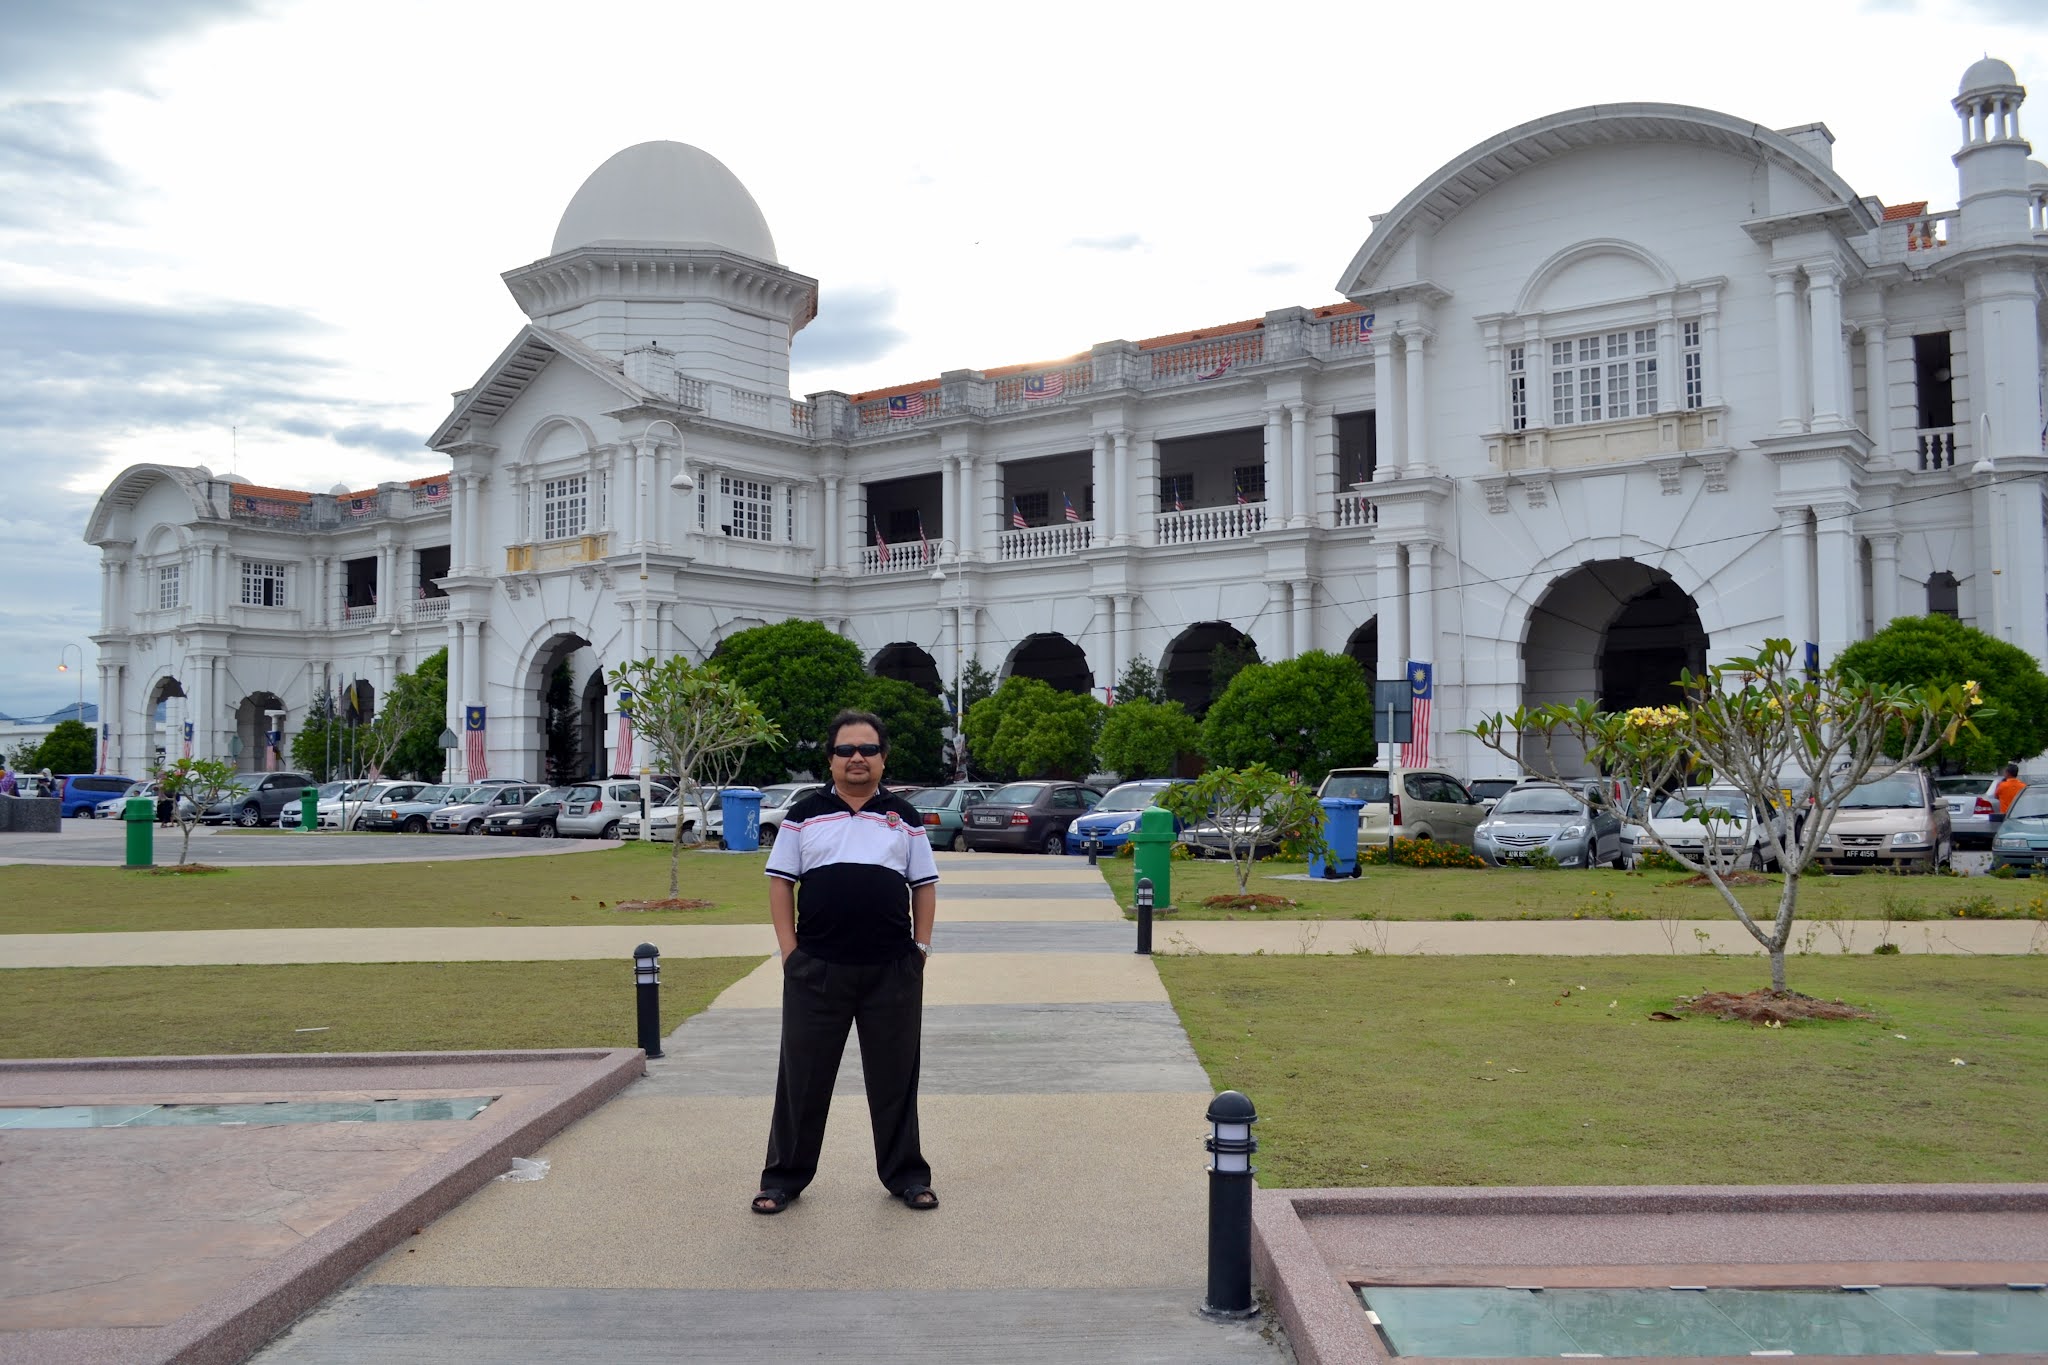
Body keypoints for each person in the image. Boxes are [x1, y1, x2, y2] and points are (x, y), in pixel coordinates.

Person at [753, 709, 940, 1215]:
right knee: (802, 1079)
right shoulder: (804, 814)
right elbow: (780, 884)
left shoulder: (905, 816)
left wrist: (919, 951)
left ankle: (906, 1175)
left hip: (892, 972)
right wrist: (791, 955)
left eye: (868, 750)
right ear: (831, 758)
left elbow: (923, 887)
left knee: (896, 1078)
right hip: (817, 970)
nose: (857, 758)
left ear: (883, 758)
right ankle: (783, 1178)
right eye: (845, 750)